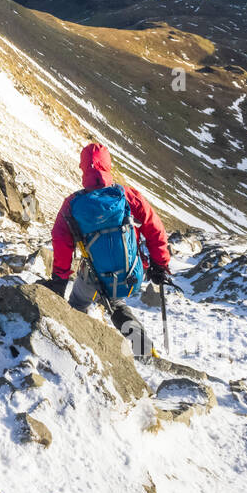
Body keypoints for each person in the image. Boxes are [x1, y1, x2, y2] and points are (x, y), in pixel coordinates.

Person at [49, 142, 172, 357]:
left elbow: (60, 239)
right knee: (115, 302)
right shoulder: (126, 196)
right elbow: (155, 228)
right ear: (108, 166)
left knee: (78, 303)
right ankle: (144, 350)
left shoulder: (72, 203)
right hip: (130, 273)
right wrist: (160, 264)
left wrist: (60, 278)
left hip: (93, 274)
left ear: (83, 168)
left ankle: (76, 351)